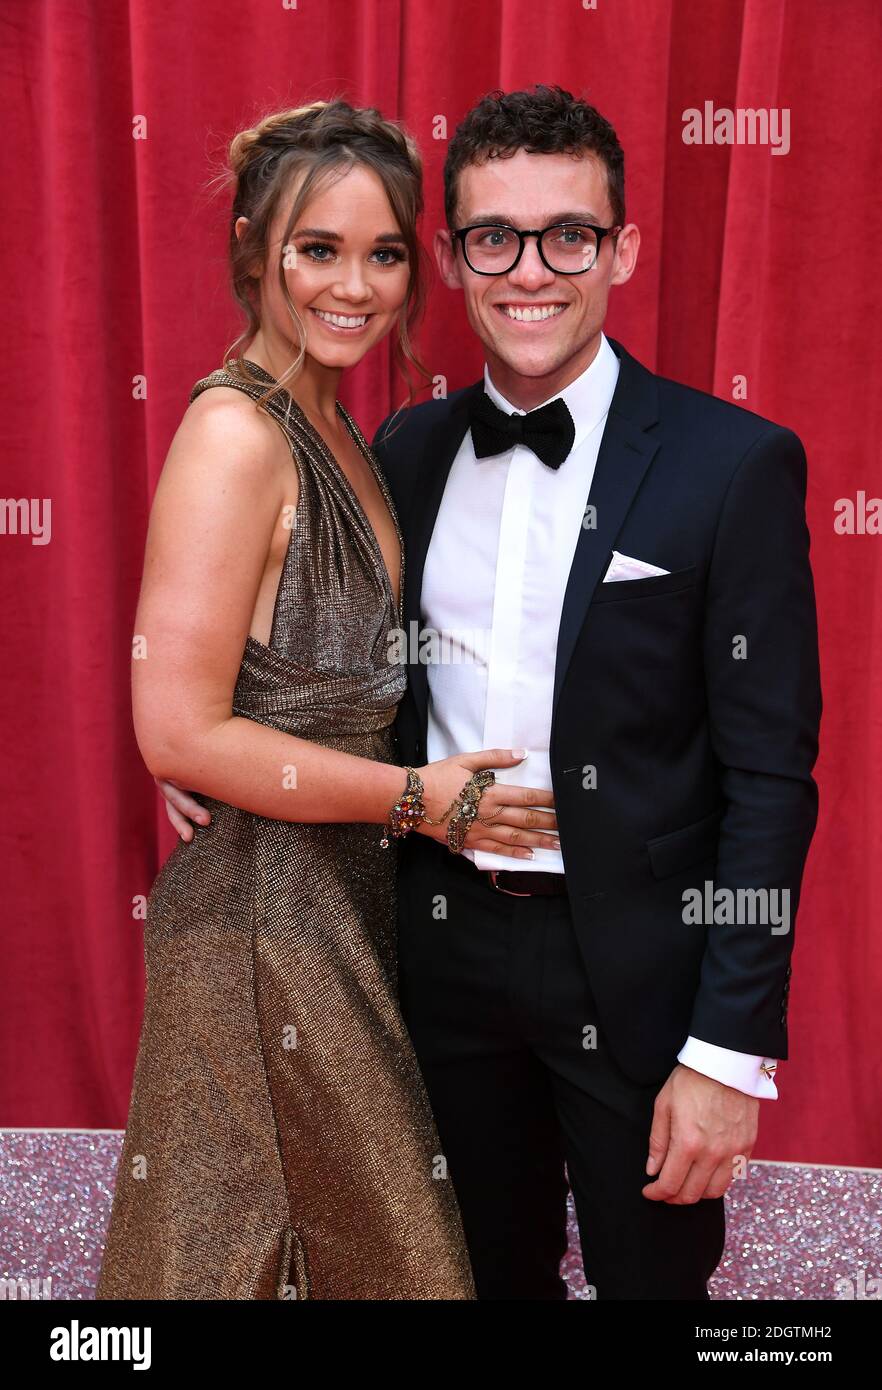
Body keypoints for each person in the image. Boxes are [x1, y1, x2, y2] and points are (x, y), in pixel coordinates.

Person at [162, 85, 822, 1300]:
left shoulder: (736, 466)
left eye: (569, 233)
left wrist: (733, 1050)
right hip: (430, 952)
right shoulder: (400, 451)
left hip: (637, 969)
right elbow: (311, 651)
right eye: (492, 237)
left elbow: (772, 783)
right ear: (454, 259)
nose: (533, 270)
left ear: (621, 248)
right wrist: (205, 748)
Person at [97, 99, 559, 1302]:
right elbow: (178, 725)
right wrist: (422, 799)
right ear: (256, 249)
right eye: (319, 250)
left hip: (342, 899)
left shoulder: (343, 426)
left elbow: (237, 684)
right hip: (263, 922)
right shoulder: (237, 435)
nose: (354, 286)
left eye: (386, 254)